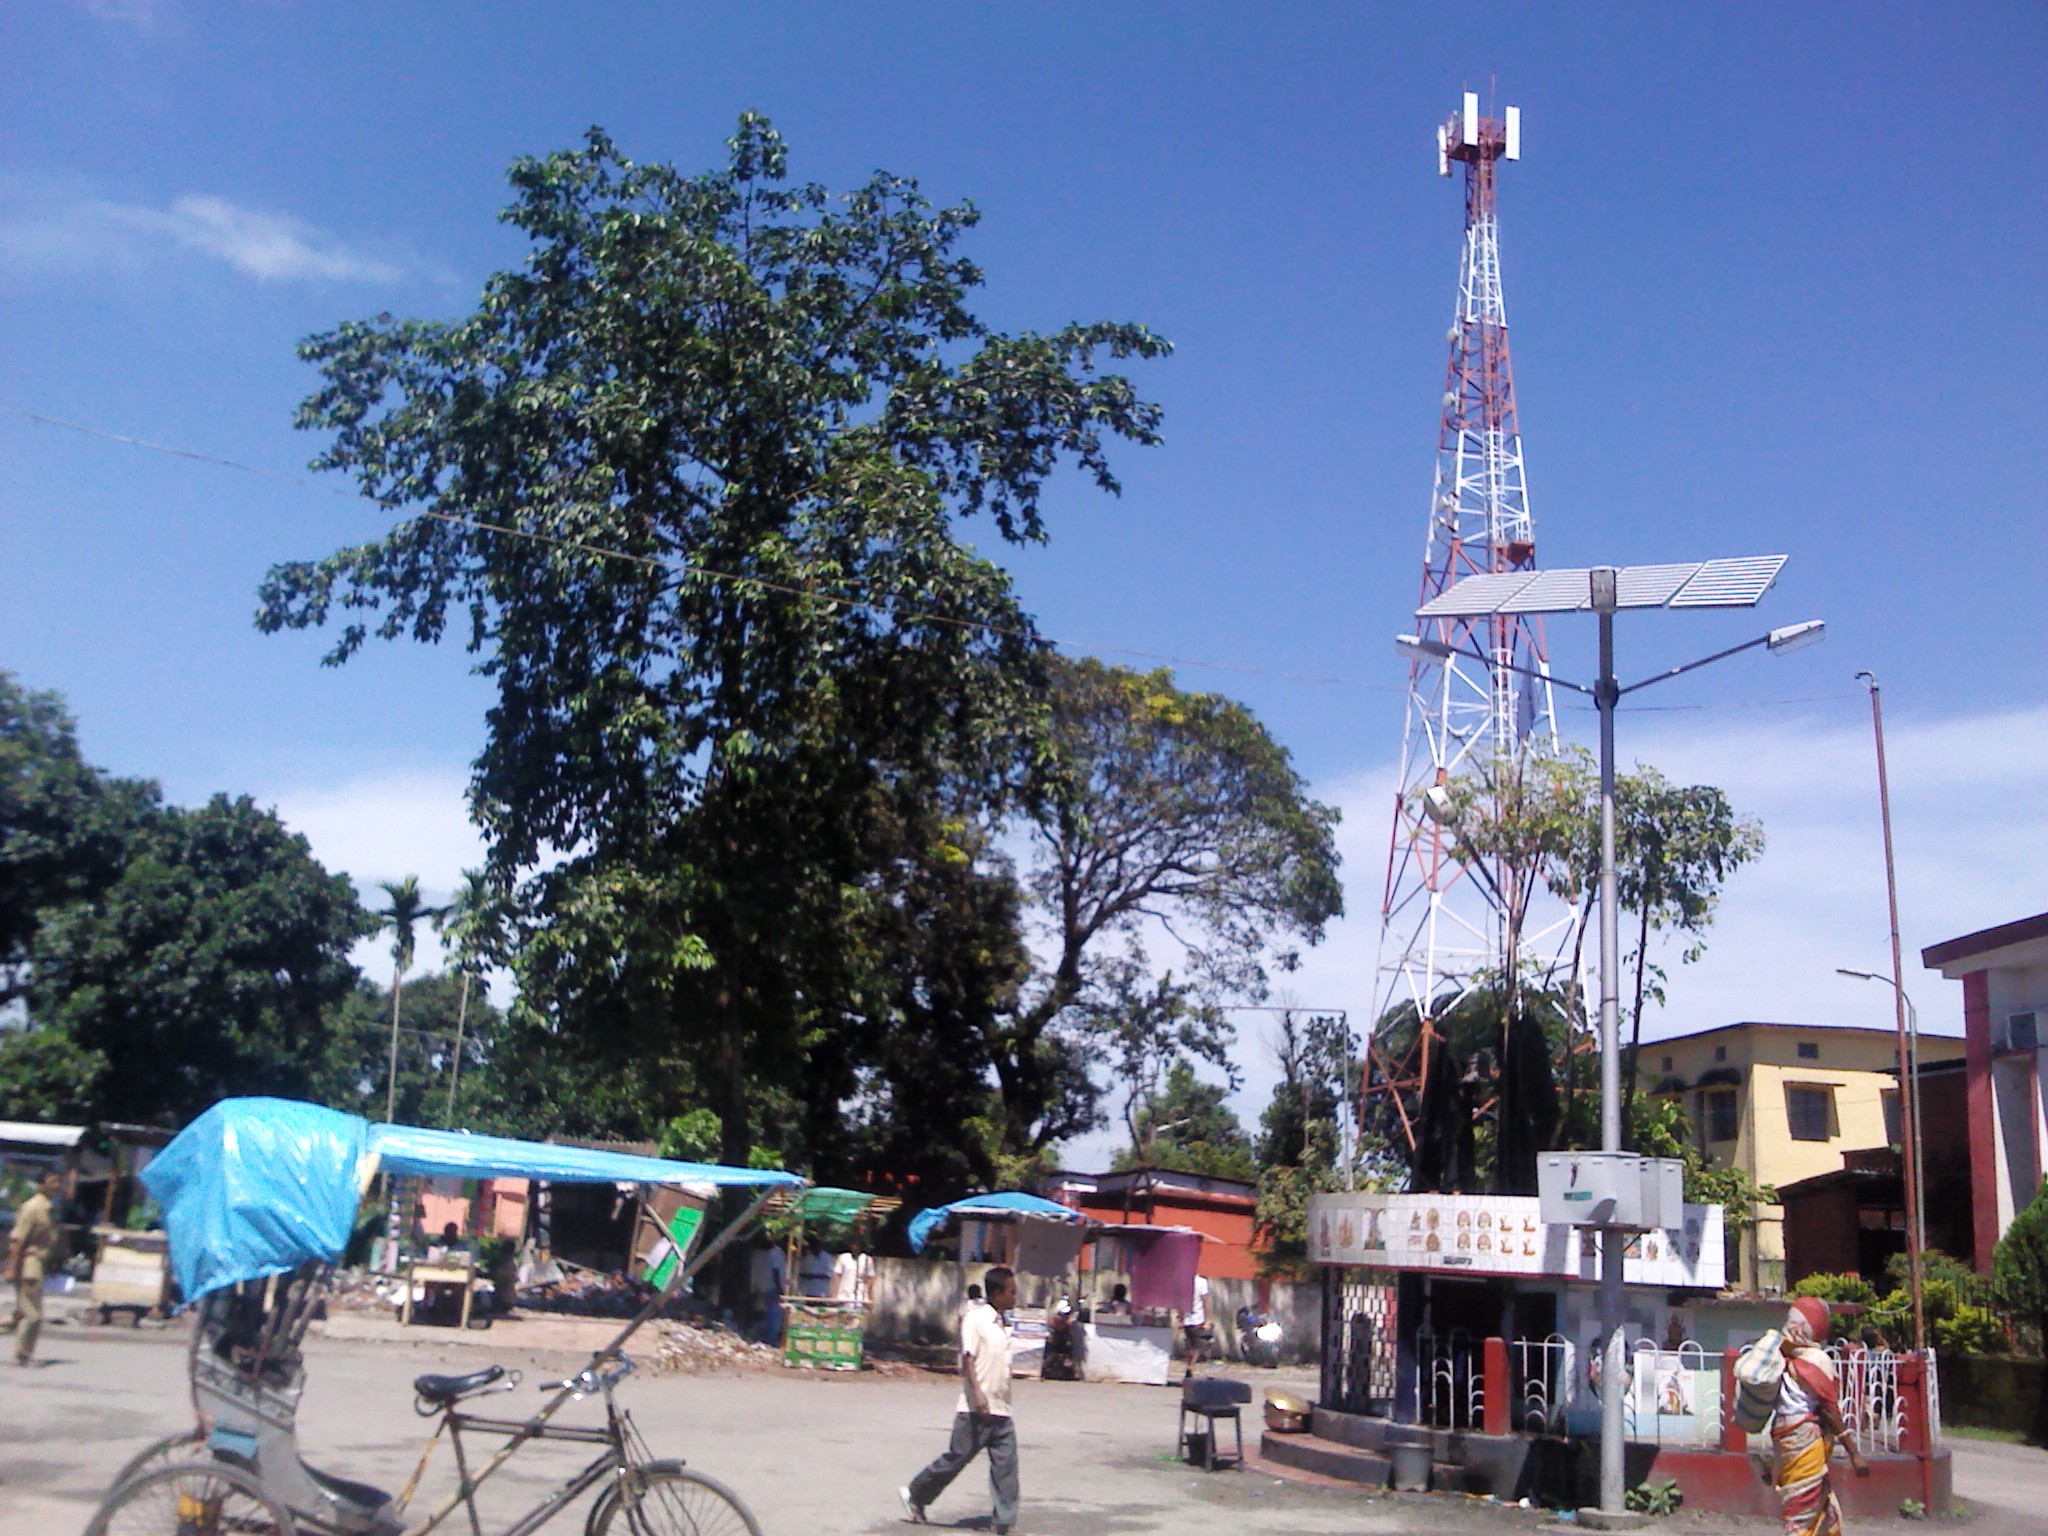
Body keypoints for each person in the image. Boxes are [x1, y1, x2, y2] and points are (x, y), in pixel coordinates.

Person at [901, 1265, 1019, 1534]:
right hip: (975, 1409)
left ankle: (1003, 1521)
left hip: (1001, 1408)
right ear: (998, 1293)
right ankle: (916, 1494)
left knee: (1006, 1466)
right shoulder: (975, 1319)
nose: (1016, 1296)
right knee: (956, 1458)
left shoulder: (1002, 1324)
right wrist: (976, 1393)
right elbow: (967, 1359)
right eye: (1012, 1291)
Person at [1770, 1297, 1869, 1536]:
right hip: (1806, 1439)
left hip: (1783, 1438)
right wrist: (1854, 1454)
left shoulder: (1781, 1355)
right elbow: (1830, 1410)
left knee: (1815, 1506)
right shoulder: (1816, 1359)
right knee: (1803, 1514)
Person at [5, 1171, 64, 1367]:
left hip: (40, 1263)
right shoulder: (32, 1208)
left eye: (58, 1182)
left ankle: (22, 1350)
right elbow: (18, 1240)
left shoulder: (49, 1208)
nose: (56, 1185)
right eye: (52, 1181)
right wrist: (12, 1268)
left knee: (24, 1312)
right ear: (41, 1185)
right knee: (33, 1315)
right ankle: (22, 1355)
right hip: (29, 1265)